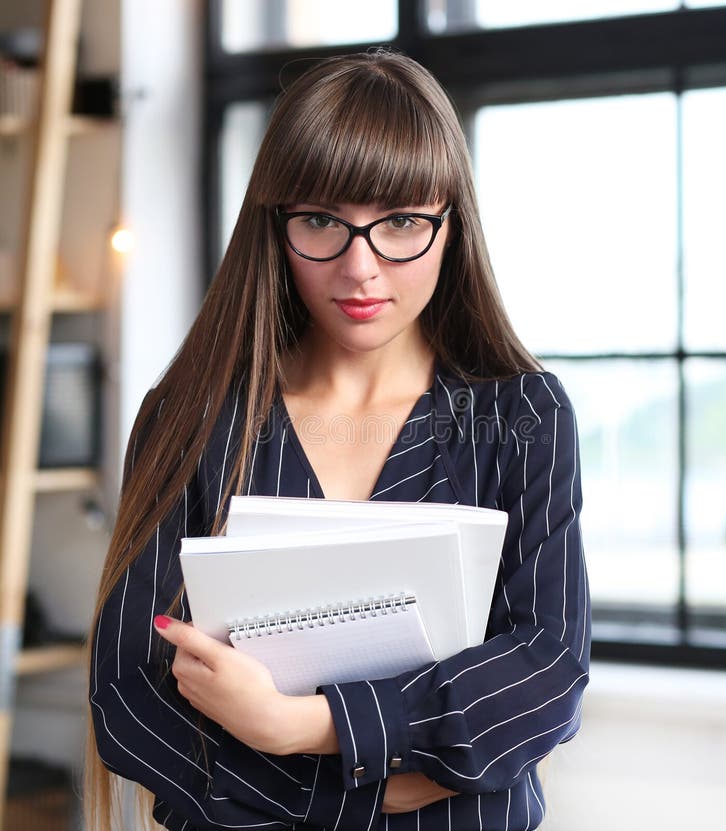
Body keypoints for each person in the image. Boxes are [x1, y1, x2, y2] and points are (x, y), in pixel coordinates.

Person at [86, 49, 590, 831]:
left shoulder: (523, 414)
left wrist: (306, 725)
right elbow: (128, 698)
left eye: (401, 222)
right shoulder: (191, 417)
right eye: (321, 220)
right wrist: (358, 787)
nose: (361, 268)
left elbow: (546, 672)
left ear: (451, 223)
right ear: (276, 226)